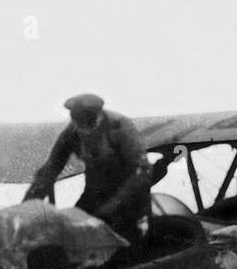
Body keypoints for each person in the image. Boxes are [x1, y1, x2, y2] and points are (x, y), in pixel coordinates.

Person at [24, 93, 158, 243]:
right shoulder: (72, 132)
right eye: (79, 125)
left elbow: (142, 171)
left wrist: (112, 206)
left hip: (130, 193)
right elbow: (50, 169)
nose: (84, 132)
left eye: (89, 125)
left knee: (129, 240)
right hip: (95, 190)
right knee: (75, 231)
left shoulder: (120, 127)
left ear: (98, 116)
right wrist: (26, 208)